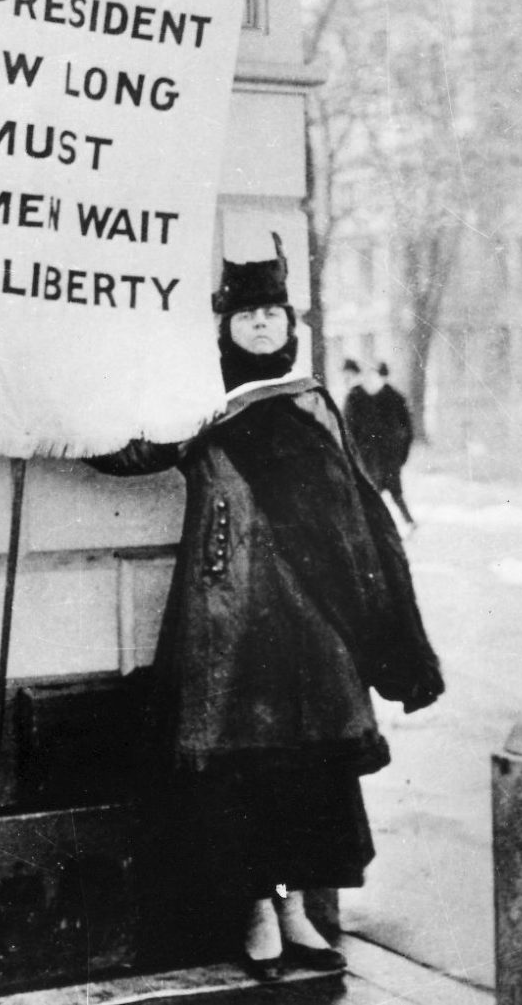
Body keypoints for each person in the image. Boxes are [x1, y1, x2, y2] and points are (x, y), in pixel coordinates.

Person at [94, 236, 443, 980]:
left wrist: (385, 625)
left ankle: (294, 910)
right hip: (229, 619)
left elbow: (357, 510)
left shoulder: (312, 402)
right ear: (225, 326)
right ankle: (256, 910)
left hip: (314, 622)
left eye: (272, 313)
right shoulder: (202, 402)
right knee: (240, 772)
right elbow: (134, 453)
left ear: (289, 324)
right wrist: (51, 427)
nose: (261, 324)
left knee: (307, 772)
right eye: (247, 314)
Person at [343, 358, 416, 530]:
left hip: (379, 456)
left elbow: (406, 430)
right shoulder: (365, 397)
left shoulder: (361, 397)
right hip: (375, 456)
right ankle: (401, 523)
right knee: (384, 492)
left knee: (380, 492)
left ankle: (393, 525)